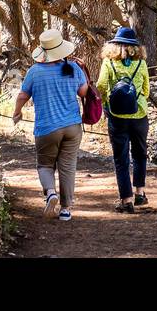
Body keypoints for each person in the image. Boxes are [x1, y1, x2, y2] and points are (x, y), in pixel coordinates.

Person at [12, 28, 88, 222]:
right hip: (72, 126)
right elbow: (83, 92)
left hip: (46, 127)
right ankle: (65, 209)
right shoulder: (73, 68)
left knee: (45, 164)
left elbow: (23, 95)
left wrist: (17, 112)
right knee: (68, 167)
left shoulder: (35, 71)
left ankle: (51, 193)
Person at [96, 26, 150, 214]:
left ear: (115, 45)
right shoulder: (140, 63)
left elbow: (101, 86)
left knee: (121, 158)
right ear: (135, 46)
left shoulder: (108, 63)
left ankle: (126, 200)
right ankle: (140, 193)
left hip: (117, 116)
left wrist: (106, 103)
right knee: (140, 153)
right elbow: (146, 90)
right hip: (140, 114)